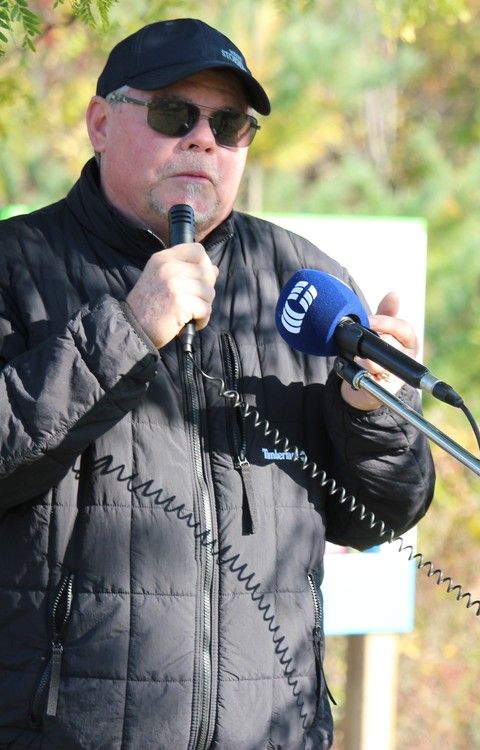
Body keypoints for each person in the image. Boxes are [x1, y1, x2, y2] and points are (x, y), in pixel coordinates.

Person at [0, 18, 434, 749]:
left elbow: (377, 518)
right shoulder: (17, 264)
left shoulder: (303, 281)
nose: (204, 139)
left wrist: (371, 414)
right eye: (175, 114)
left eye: (229, 124)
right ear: (101, 123)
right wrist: (130, 329)